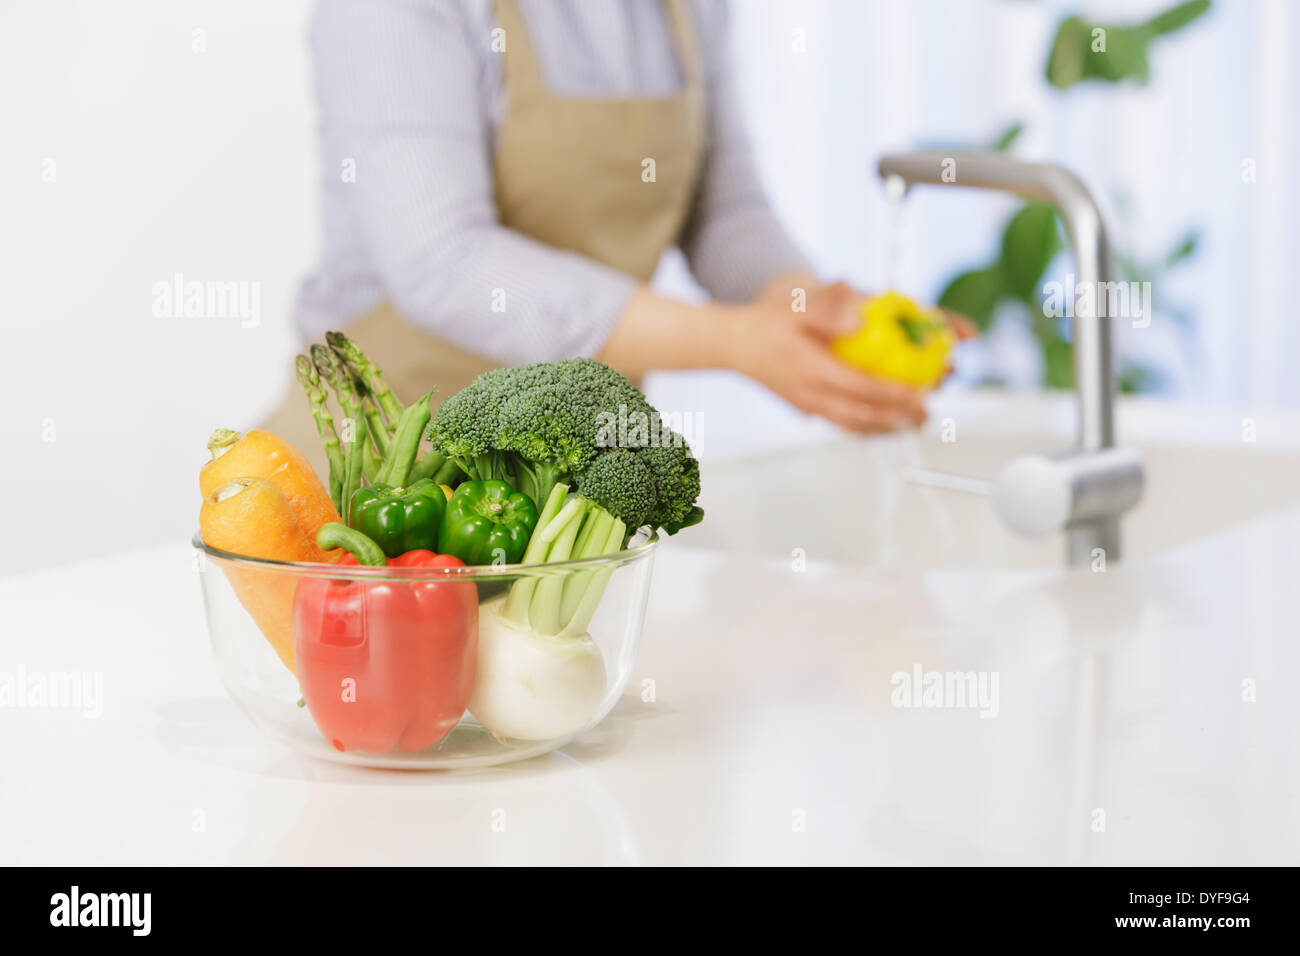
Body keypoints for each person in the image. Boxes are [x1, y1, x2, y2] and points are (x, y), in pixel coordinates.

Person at [265, 0, 966, 461]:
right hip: (380, 460)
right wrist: (734, 342)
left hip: (573, 471)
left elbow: (724, 209)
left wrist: (808, 308)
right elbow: (444, 261)